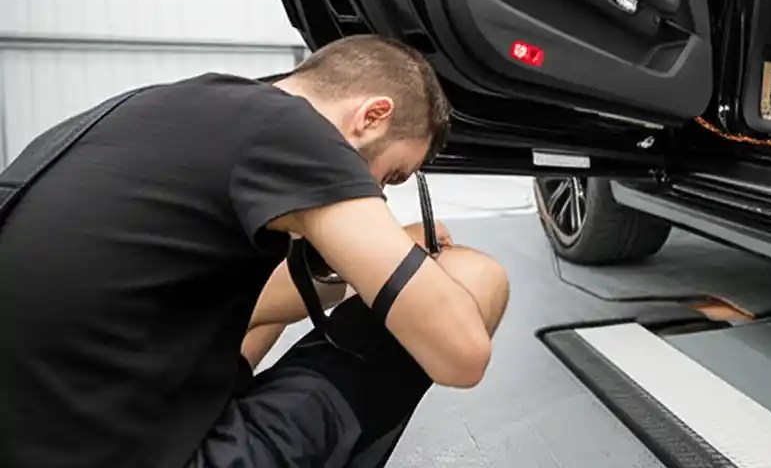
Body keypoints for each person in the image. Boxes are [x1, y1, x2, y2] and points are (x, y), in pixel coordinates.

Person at [0, 35, 510, 467]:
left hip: (46, 432)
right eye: (391, 175)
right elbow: (460, 357)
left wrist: (361, 255)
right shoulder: (299, 136)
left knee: (255, 285)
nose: (381, 189)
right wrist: (410, 259)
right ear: (372, 116)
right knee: (475, 274)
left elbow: (252, 301)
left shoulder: (158, 106)